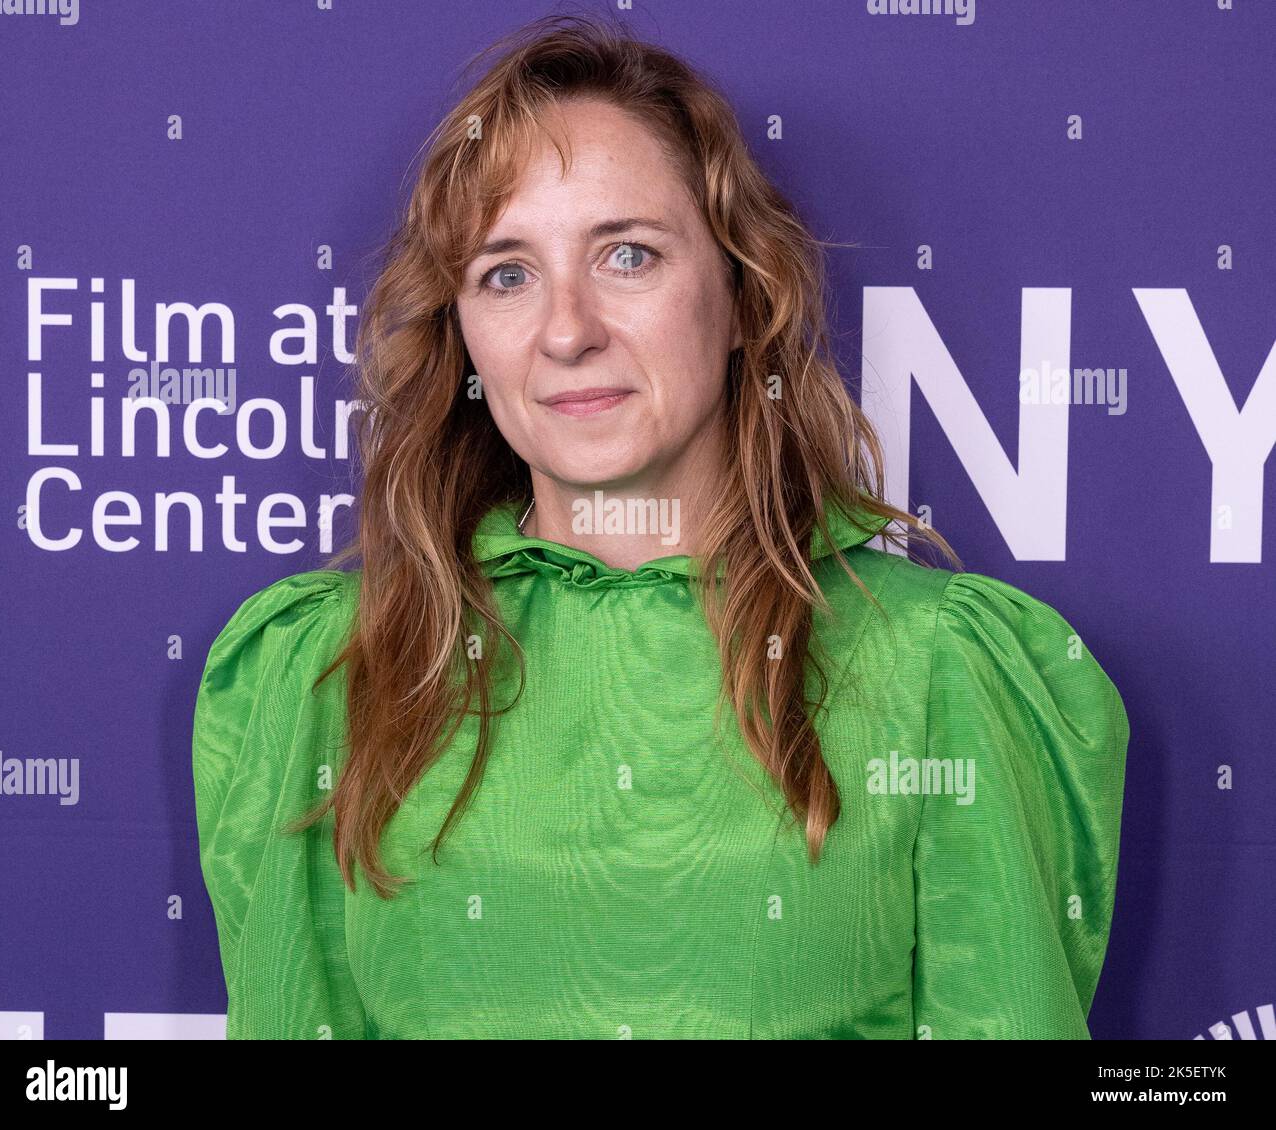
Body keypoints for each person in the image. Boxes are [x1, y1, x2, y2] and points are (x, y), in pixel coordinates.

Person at [192, 13, 1129, 1040]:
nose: (566, 330)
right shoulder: (330, 666)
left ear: (738, 294)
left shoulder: (941, 664)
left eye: (626, 255)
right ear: (460, 333)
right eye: (506, 273)